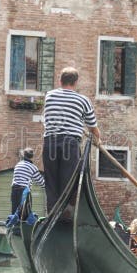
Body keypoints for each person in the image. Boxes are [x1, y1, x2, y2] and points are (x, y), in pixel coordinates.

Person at [42, 66, 101, 217]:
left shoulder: (49, 96)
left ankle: (52, 214)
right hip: (70, 143)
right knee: (69, 181)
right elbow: (93, 127)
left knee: (51, 181)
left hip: (50, 143)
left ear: (60, 81)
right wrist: (98, 140)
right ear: (76, 82)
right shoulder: (83, 100)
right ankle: (67, 214)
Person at [11, 147, 45, 216]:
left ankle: (14, 222)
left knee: (15, 211)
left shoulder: (18, 165)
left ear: (24, 155)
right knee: (25, 212)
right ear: (32, 157)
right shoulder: (32, 167)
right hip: (24, 191)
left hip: (14, 190)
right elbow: (41, 182)